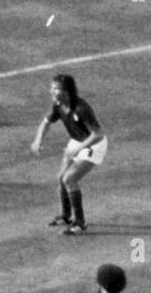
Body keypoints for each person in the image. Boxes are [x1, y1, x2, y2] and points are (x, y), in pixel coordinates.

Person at [31, 73, 107, 235]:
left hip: (93, 144)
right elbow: (45, 123)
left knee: (69, 179)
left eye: (55, 88)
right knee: (61, 177)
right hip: (78, 142)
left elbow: (98, 134)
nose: (51, 91)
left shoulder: (81, 108)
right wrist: (38, 140)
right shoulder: (58, 105)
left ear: (66, 91)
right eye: (51, 87)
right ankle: (66, 216)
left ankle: (79, 223)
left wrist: (78, 150)